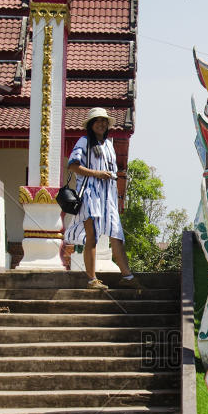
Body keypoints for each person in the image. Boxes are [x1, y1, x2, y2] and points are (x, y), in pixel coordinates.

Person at [64, 108, 134, 289]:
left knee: (117, 235)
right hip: (90, 195)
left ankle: (128, 277)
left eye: (104, 121)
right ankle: (91, 279)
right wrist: (96, 173)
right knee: (92, 237)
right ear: (90, 125)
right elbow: (72, 165)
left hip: (107, 197)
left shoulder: (109, 144)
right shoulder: (84, 141)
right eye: (97, 121)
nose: (101, 124)